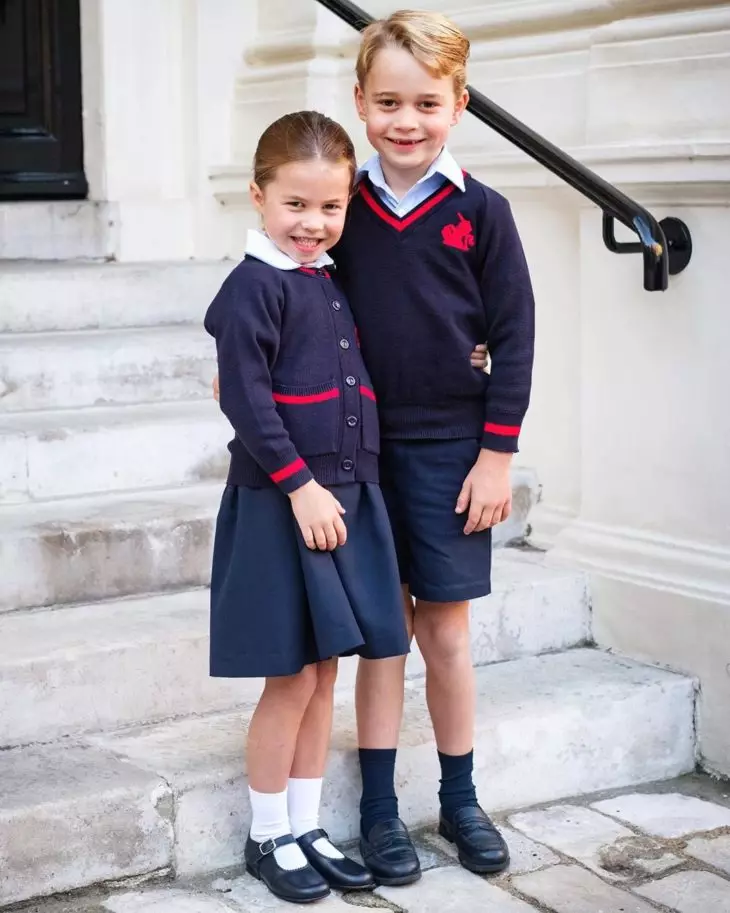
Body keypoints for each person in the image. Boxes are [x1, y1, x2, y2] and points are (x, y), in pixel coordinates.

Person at [331, 10, 535, 885]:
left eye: (425, 102)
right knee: (383, 635)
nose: (404, 121)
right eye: (387, 102)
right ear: (360, 103)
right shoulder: (343, 207)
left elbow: (515, 335)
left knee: (444, 632)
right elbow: (296, 293)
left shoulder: (482, 212)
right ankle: (380, 813)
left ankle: (460, 798)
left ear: (459, 104)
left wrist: (497, 453)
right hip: (361, 451)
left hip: (453, 452)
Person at [204, 110, 412, 905]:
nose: (313, 224)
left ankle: (305, 821)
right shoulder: (251, 288)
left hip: (341, 499)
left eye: (330, 209)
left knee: (325, 672)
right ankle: (266, 834)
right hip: (283, 503)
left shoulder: (321, 275)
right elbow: (250, 405)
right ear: (258, 197)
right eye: (295, 205)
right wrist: (300, 485)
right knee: (289, 677)